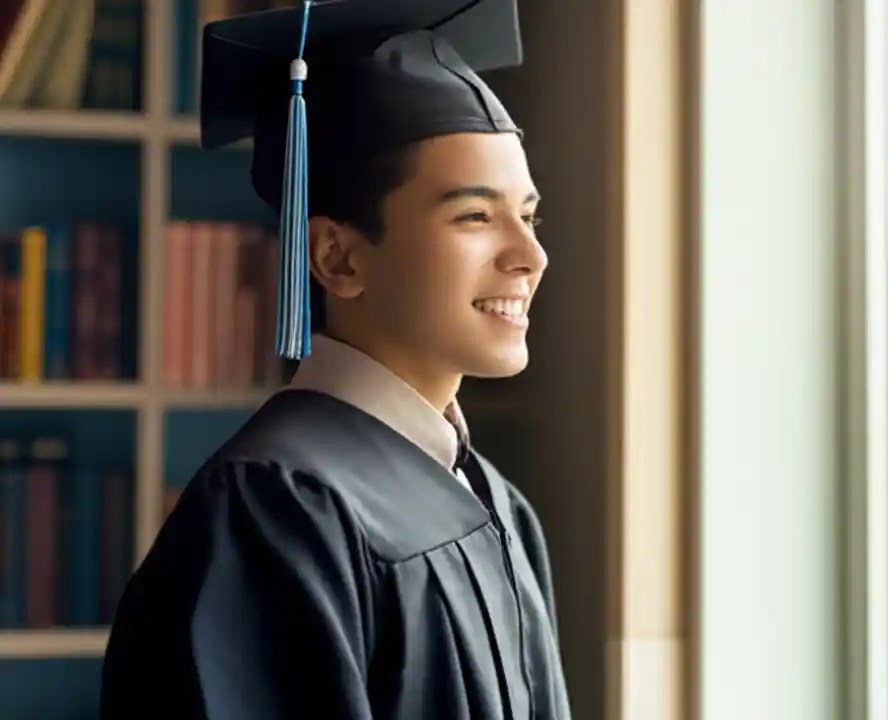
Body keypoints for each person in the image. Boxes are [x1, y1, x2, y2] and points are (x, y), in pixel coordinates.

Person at [100, 1, 571, 718]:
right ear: (337, 256)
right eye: (475, 216)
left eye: (528, 215)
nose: (529, 256)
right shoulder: (273, 509)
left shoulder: (496, 503)